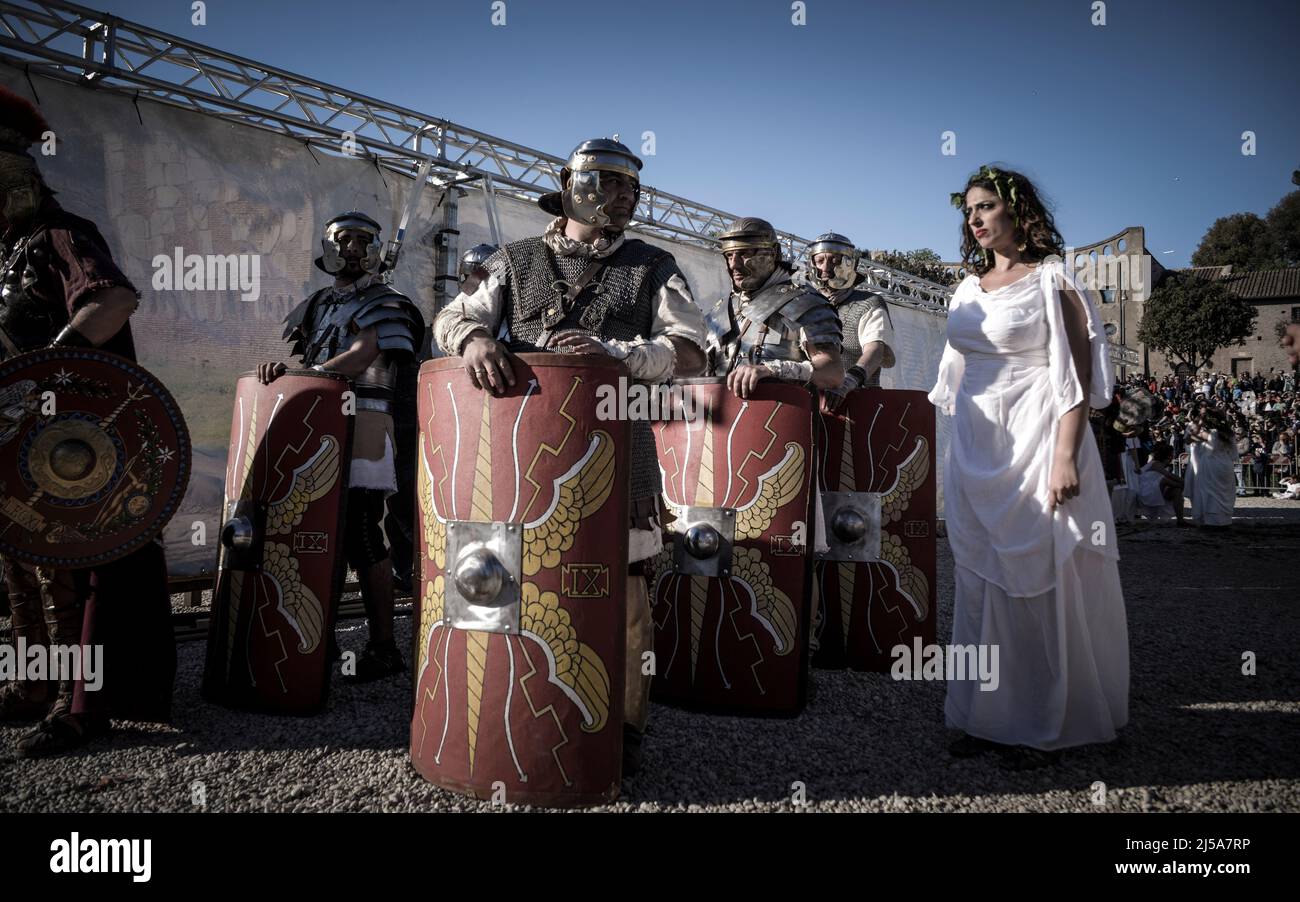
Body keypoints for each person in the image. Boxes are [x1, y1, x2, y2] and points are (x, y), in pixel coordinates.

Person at [432, 137, 708, 776]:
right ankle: (529, 708)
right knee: (524, 579)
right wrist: (474, 340)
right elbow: (452, 316)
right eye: (610, 185)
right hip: (527, 452)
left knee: (630, 584)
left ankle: (627, 722)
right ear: (573, 184)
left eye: (631, 189)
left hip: (621, 446)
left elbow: (692, 351)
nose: (623, 198)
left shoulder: (653, 263)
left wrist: (625, 356)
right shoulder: (514, 259)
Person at [929, 164, 1127, 768]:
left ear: (1019, 211)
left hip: (1039, 437)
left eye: (986, 206)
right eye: (968, 210)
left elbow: (1079, 375)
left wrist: (1066, 455)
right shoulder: (966, 288)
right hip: (978, 444)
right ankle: (987, 718)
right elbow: (954, 378)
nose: (975, 218)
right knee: (982, 580)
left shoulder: (1055, 281)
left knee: (1040, 579)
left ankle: (1049, 724)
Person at [0, 85, 175, 755]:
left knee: (71, 574)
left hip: (86, 442)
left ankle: (83, 706)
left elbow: (112, 300)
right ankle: (34, 684)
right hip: (25, 442)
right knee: (21, 565)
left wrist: (47, 367)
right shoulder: (8, 255)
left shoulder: (62, 235)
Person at [259, 211, 423, 681]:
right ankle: (318, 640)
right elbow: (309, 360)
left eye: (362, 240)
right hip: (318, 423)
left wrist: (302, 376)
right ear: (330, 246)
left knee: (361, 531)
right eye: (344, 239)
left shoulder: (387, 301)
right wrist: (279, 372)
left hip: (366, 426)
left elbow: (362, 356)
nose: (352, 248)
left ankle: (383, 647)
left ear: (374, 249)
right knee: (314, 530)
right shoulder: (316, 304)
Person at [703, 217, 843, 397]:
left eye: (745, 254)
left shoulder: (805, 303)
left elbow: (832, 373)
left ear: (773, 253)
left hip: (784, 416)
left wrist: (771, 370)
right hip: (726, 419)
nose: (734, 264)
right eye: (729, 255)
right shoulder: (721, 309)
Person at [802, 231, 894, 409]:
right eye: (820, 261)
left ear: (849, 263)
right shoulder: (804, 304)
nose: (826, 267)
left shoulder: (868, 303)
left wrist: (850, 381)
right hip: (812, 401)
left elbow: (875, 349)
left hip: (859, 402)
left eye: (834, 260)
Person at [1187, 409, 1236, 528]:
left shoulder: (1210, 433)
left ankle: (1211, 520)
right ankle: (1224, 520)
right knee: (1224, 491)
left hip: (1211, 464)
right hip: (1226, 464)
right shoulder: (1228, 433)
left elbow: (1189, 438)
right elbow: (1234, 453)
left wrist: (1198, 424)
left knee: (1209, 491)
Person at [1136, 442, 1185, 524]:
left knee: (1176, 490)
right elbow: (1169, 476)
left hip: (1154, 490)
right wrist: (1183, 482)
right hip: (1145, 492)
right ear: (1168, 456)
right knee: (1165, 480)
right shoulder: (1156, 464)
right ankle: (1182, 486)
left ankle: (1180, 520)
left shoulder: (1160, 464)